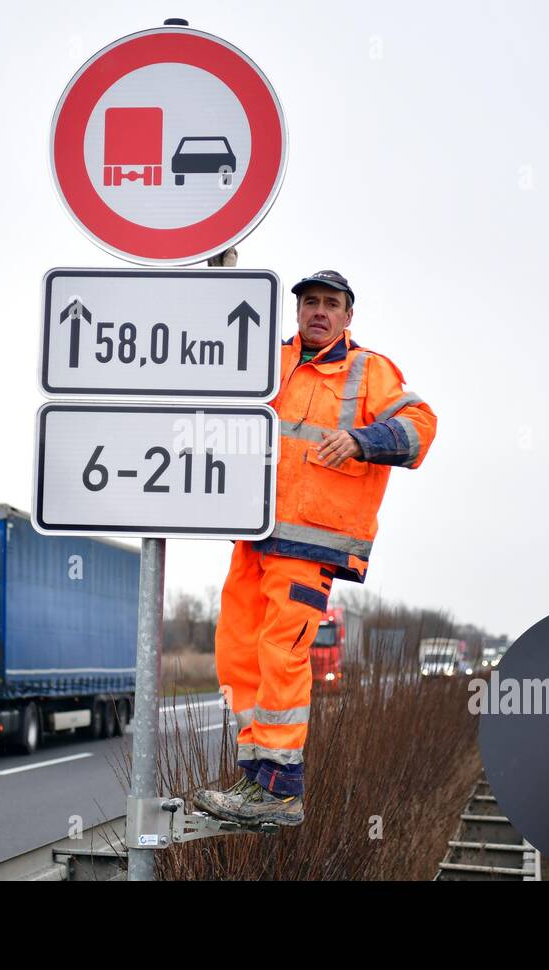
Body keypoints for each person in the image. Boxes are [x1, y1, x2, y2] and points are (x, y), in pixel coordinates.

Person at [194, 270, 437, 826]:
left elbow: (421, 427)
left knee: (282, 650)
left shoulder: (368, 369)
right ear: (296, 310)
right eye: (310, 303)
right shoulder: (267, 360)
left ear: (348, 316)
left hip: (311, 541)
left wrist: (362, 438)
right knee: (238, 652)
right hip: (254, 534)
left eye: (331, 304)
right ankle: (255, 778)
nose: (319, 312)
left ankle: (282, 790)